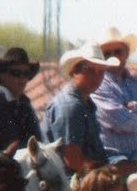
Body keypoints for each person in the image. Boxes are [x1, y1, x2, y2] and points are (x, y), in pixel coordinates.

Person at [42, 42, 119, 174]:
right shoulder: (70, 106)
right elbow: (73, 161)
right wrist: (108, 173)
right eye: (90, 70)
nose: (97, 77)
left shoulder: (84, 103)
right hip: (72, 180)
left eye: (101, 71)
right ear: (74, 71)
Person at [92, 26, 137, 165]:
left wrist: (135, 106)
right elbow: (121, 122)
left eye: (117, 52)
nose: (113, 56)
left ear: (126, 53)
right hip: (114, 160)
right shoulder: (99, 85)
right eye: (107, 53)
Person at [0, 47, 41, 154]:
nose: (22, 79)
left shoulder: (25, 105)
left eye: (26, 74)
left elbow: (37, 142)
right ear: (2, 76)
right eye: (16, 73)